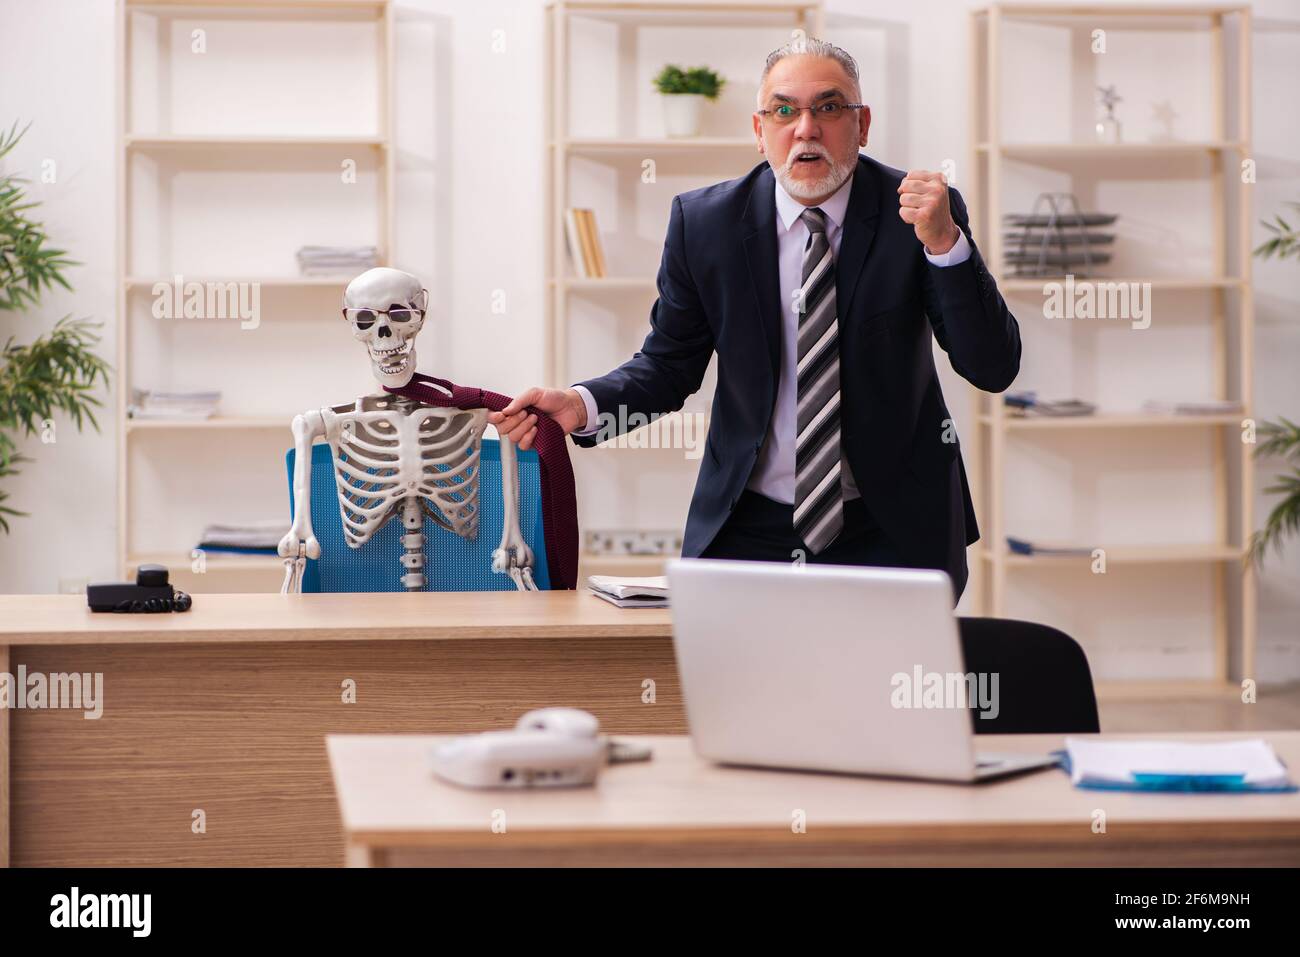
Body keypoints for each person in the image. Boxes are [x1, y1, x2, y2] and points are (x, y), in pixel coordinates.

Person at [489, 37, 1021, 601]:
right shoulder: (705, 223)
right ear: (759, 128)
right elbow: (670, 367)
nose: (806, 128)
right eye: (784, 110)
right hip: (750, 527)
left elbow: (992, 366)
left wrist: (945, 244)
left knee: (880, 691)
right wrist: (581, 404)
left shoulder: (920, 213)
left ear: (862, 126)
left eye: (830, 108)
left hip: (893, 530)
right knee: (742, 690)